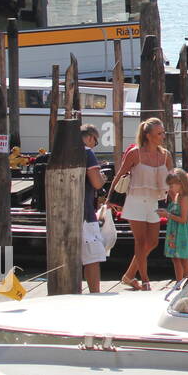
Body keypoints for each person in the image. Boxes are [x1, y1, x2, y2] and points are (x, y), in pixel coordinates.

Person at [108, 117, 172, 291]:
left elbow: (172, 180)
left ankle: (129, 275)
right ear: (148, 135)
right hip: (135, 199)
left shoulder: (165, 155)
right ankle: (145, 280)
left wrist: (178, 201)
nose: (163, 136)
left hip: (154, 201)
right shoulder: (134, 153)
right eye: (159, 133)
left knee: (152, 242)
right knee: (140, 241)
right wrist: (109, 198)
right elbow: (120, 174)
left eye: (163, 132)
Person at [80, 125, 107, 293]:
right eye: (95, 142)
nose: (93, 145)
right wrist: (103, 178)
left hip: (64, 213)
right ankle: (95, 293)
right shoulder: (87, 153)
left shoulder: (63, 150)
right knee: (93, 256)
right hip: (85, 212)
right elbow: (97, 183)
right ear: (90, 137)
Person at [164, 170, 188, 281]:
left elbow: (183, 219)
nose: (170, 187)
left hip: (182, 232)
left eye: (171, 185)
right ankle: (179, 282)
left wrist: (167, 215)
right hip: (175, 232)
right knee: (175, 258)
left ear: (180, 183)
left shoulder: (184, 197)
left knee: (184, 259)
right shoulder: (177, 196)